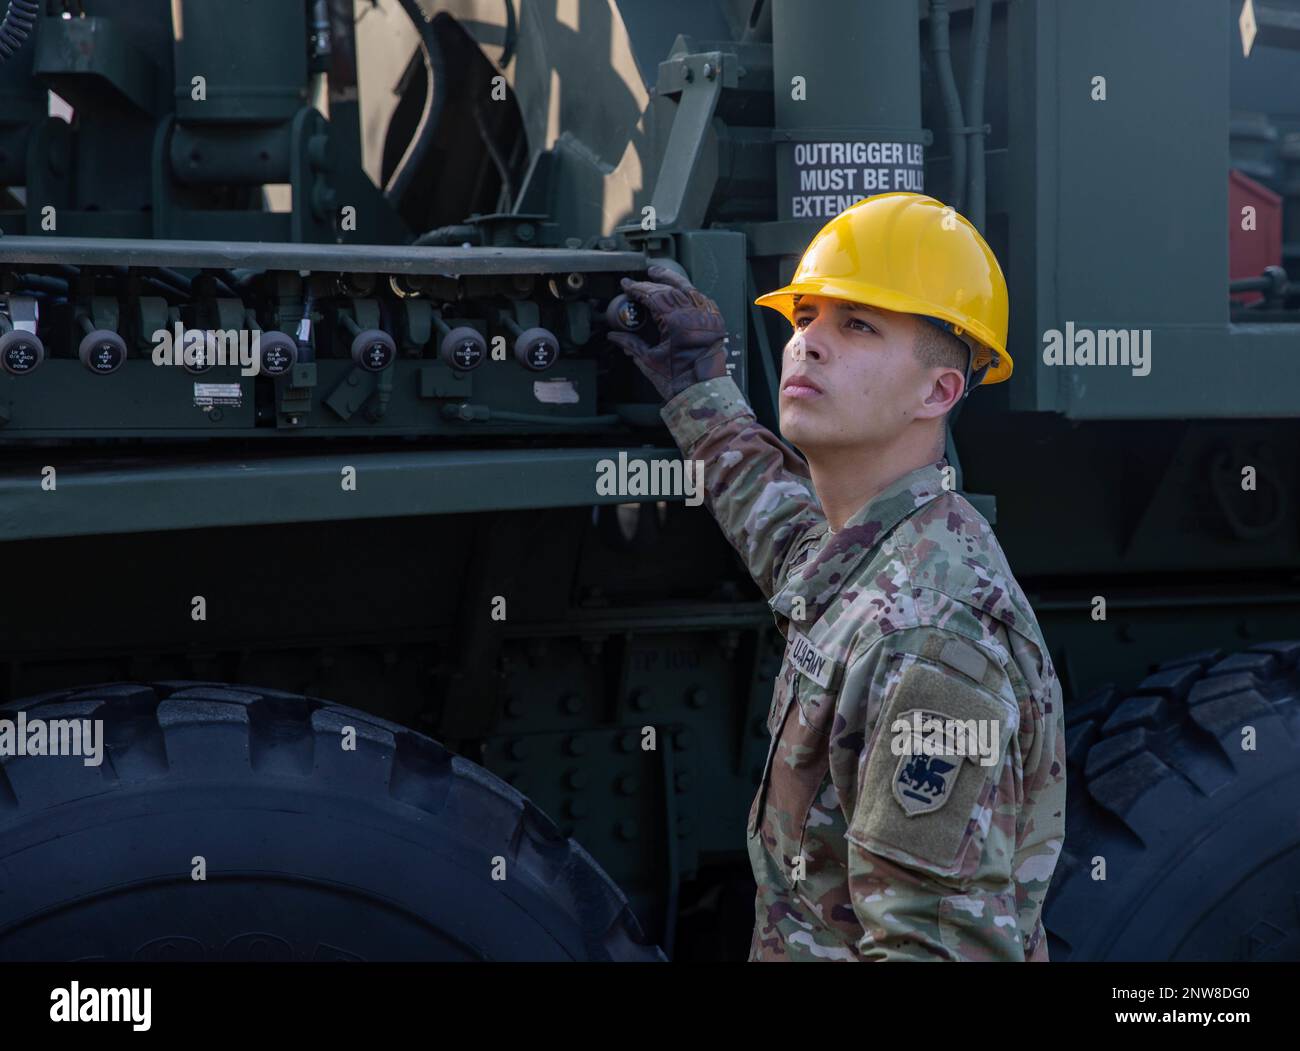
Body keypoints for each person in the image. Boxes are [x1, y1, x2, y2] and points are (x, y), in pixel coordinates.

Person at [607, 191, 1066, 962]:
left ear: (939, 392)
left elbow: (933, 949)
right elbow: (785, 536)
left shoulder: (932, 637)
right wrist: (699, 388)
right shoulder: (871, 548)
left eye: (858, 325)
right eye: (805, 318)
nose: (808, 345)